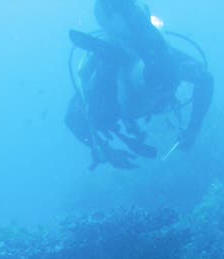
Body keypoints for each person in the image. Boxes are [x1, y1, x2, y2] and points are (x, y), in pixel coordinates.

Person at [65, 0, 213, 169]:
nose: (134, 14)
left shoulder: (154, 48)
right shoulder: (102, 66)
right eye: (127, 10)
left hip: (143, 88)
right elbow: (73, 118)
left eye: (132, 9)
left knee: (155, 65)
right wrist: (103, 150)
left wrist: (194, 128)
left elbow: (204, 79)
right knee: (149, 67)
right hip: (128, 98)